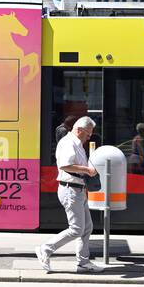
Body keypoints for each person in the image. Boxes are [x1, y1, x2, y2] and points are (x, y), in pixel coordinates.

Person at [35, 116, 105, 273]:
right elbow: (65, 165)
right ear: (79, 130)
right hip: (70, 189)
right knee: (76, 229)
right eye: (87, 134)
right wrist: (87, 170)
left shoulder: (77, 143)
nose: (89, 138)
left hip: (78, 189)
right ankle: (45, 249)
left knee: (87, 227)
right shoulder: (69, 143)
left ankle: (83, 263)